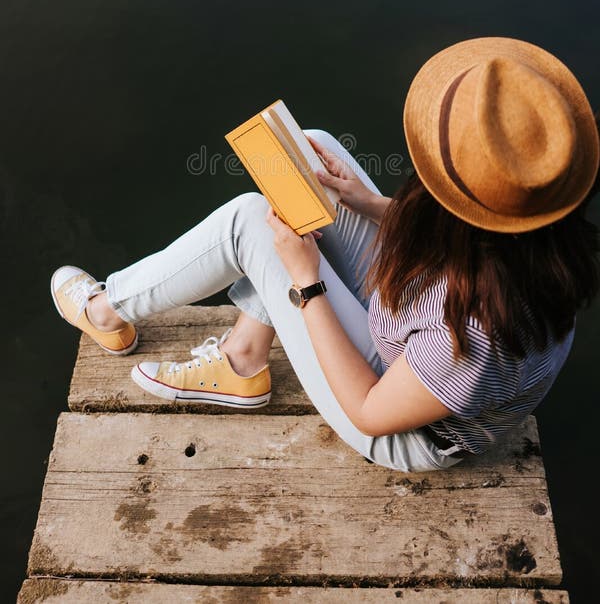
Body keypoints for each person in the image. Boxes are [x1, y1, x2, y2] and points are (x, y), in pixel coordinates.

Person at [50, 37, 599, 472]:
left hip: (403, 427)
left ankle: (108, 310)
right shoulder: (540, 243)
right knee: (314, 152)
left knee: (251, 224)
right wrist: (367, 202)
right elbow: (460, 247)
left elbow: (369, 410)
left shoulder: (478, 337)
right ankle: (244, 357)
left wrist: (306, 283)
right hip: (418, 327)